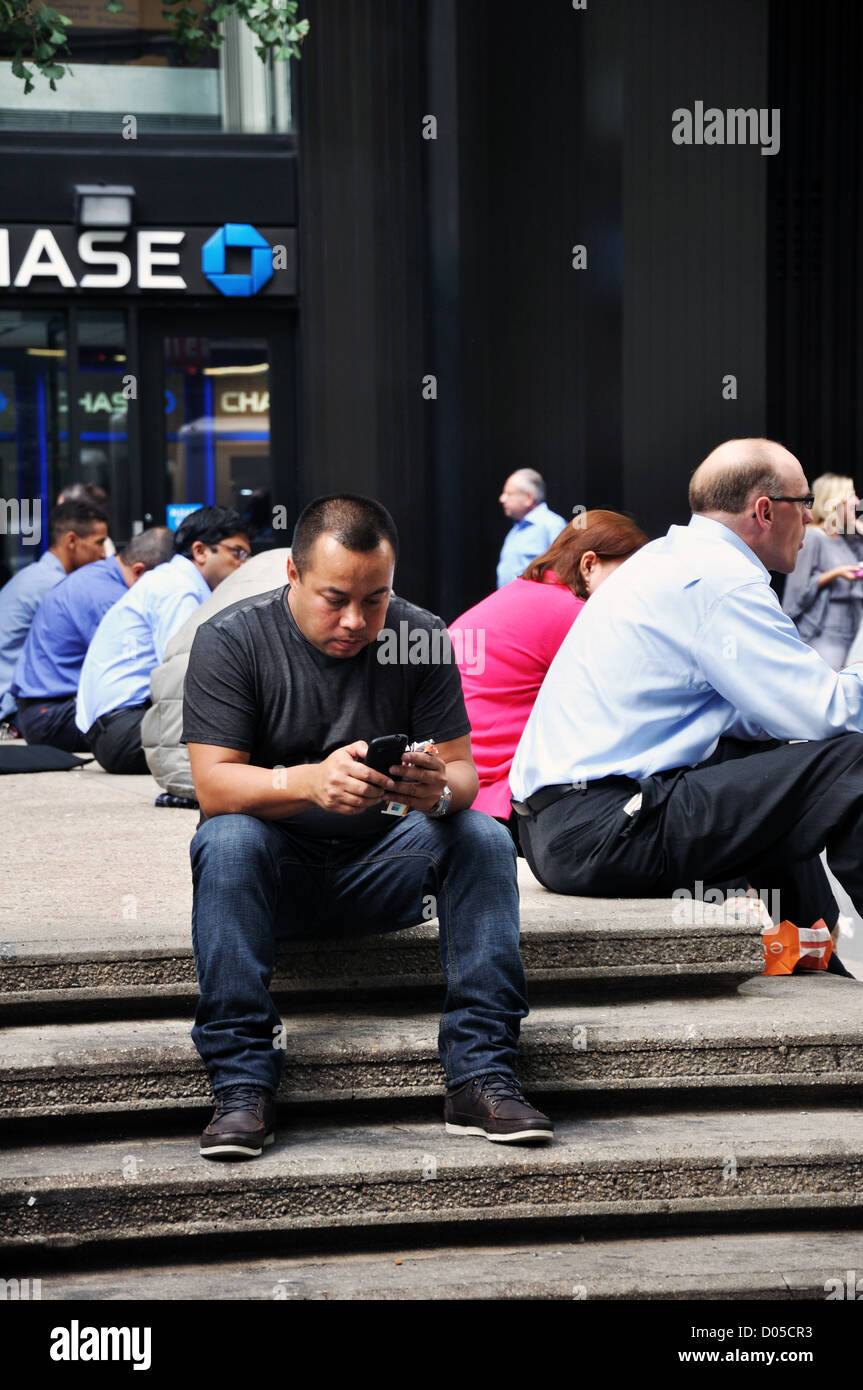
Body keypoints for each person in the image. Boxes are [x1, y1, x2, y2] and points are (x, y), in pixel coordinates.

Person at [183, 493, 553, 1159]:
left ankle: (480, 1074)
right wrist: (305, 780)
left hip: (386, 867)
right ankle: (241, 1082)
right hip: (276, 878)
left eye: (374, 599)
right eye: (334, 598)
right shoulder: (231, 638)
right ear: (292, 576)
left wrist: (436, 792)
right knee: (227, 837)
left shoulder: (419, 634)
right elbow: (212, 787)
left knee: (481, 835)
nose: (355, 620)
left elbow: (468, 774)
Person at [510, 437, 863, 972]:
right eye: (804, 502)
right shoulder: (720, 581)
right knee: (853, 762)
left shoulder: (667, 558)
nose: (812, 517)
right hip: (604, 828)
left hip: (557, 829)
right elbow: (824, 712)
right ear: (765, 511)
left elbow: (773, 721)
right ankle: (820, 945)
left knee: (766, 758)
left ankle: (814, 951)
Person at [450, 510, 647, 832]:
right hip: (502, 799)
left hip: (460, 786)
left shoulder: (519, 592)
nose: (632, 592)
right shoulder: (572, 613)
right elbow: (635, 696)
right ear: (589, 564)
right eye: (625, 577)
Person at [75, 507, 249, 774]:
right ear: (201, 551)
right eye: (237, 552)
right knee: (239, 739)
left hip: (118, 727)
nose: (243, 563)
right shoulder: (179, 590)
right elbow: (184, 676)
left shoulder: (174, 581)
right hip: (123, 730)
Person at [11, 528, 174, 752]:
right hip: (53, 716)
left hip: (45, 710)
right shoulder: (108, 596)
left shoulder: (99, 577)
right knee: (170, 729)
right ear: (139, 571)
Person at [0, 499, 109, 724]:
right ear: (71, 540)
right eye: (99, 543)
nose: (103, 555)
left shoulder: (35, 576)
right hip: (14, 709)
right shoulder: (56, 587)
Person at [781, 473, 863, 669]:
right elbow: (795, 595)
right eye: (851, 495)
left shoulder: (844, 540)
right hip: (825, 636)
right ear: (835, 501)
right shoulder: (813, 538)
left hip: (851, 633)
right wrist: (834, 574)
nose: (857, 501)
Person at [496, 469, 568, 588]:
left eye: (509, 494)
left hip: (533, 603)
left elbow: (564, 572)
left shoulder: (552, 525)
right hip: (509, 602)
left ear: (528, 497)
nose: (502, 499)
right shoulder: (516, 529)